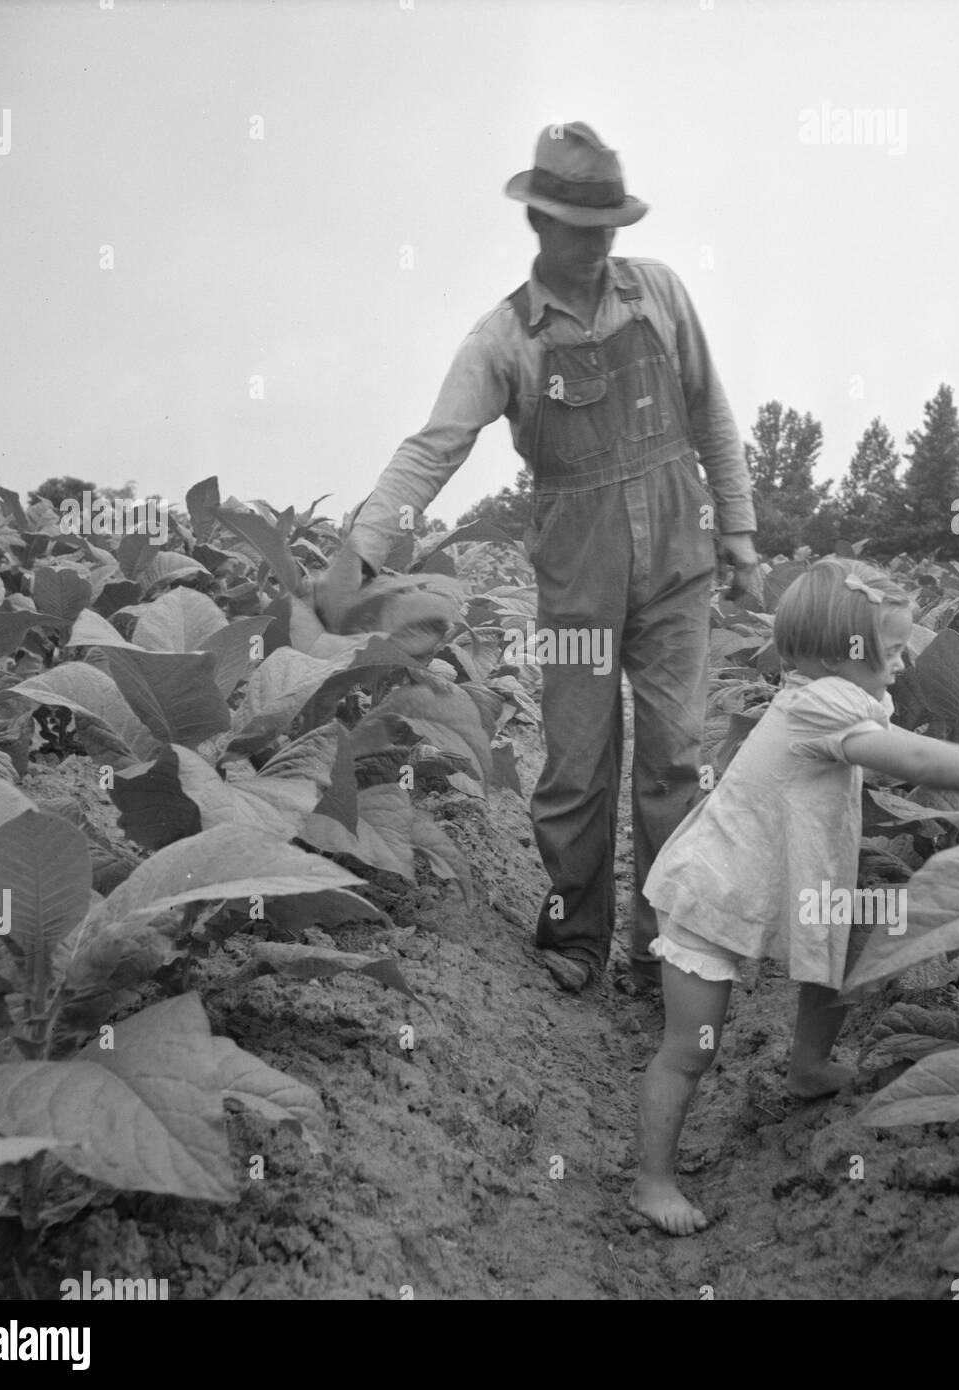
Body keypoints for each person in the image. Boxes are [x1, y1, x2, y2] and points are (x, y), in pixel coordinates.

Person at [323, 122, 760, 993]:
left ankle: (659, 950)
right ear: (540, 226)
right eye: (581, 230)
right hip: (579, 583)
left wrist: (740, 531)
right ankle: (575, 936)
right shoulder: (504, 339)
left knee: (674, 759)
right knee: (573, 764)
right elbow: (434, 448)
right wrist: (363, 548)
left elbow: (712, 411)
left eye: (609, 230)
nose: (599, 248)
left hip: (679, 569)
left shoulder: (661, 297)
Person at [630, 556, 959, 1235]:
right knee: (691, 1049)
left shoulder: (841, 693)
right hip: (713, 895)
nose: (903, 664)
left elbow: (898, 744)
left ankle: (807, 1068)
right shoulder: (819, 705)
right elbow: (917, 760)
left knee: (839, 950)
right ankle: (652, 1182)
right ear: (849, 653)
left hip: (790, 882)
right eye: (894, 650)